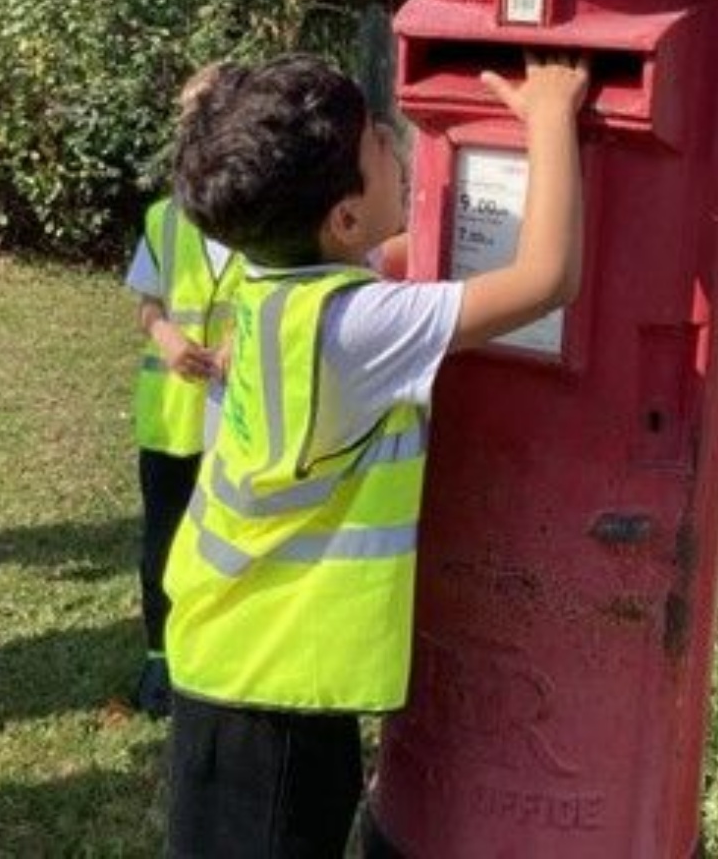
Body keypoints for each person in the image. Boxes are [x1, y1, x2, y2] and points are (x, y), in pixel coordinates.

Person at [162, 50, 587, 857]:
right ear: (344, 220)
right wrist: (550, 118)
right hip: (275, 692)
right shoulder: (357, 328)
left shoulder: (273, 283)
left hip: (233, 655)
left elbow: (387, 265)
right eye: (380, 144)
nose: (398, 141)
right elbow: (547, 278)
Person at [124, 187, 242, 717]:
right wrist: (166, 334)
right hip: (172, 417)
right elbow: (148, 305)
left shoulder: (272, 208)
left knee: (231, 541)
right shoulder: (163, 218)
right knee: (164, 541)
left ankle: (222, 655)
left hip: (241, 421)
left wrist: (245, 339)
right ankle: (161, 656)